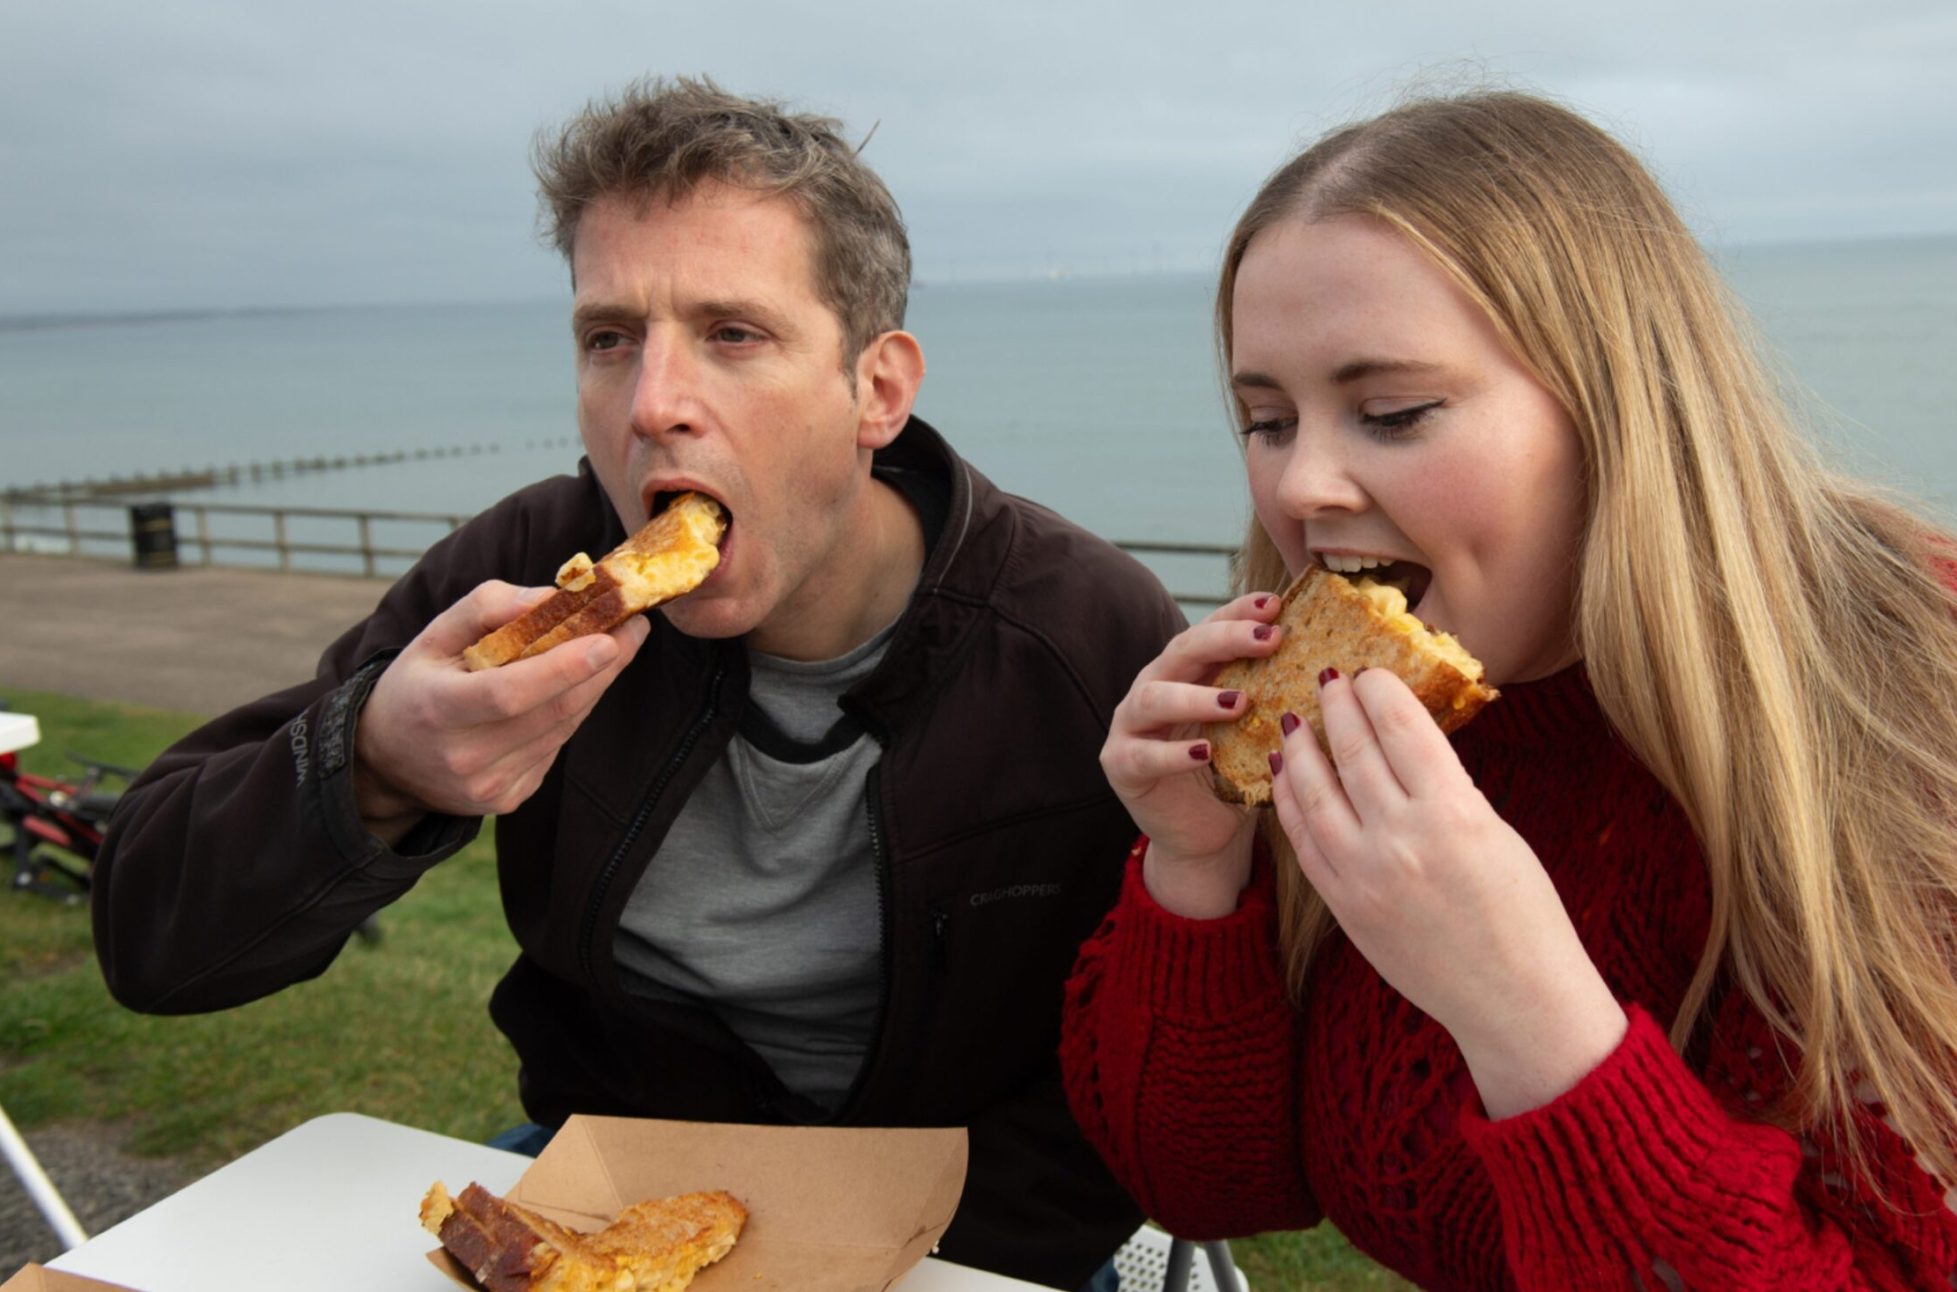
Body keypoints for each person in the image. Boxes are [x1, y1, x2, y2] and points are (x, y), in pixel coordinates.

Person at [92, 76, 1178, 1288]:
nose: (652, 404)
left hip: (958, 1235)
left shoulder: (1081, 637)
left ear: (876, 387)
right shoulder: (518, 575)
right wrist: (376, 764)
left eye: (733, 334)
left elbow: (1133, 1074)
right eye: (610, 337)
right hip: (604, 1190)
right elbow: (153, 941)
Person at [1060, 89, 1957, 1290]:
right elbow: (1207, 1187)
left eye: (1390, 411)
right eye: (1264, 419)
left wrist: (1523, 1007)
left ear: (1616, 407)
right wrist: (1194, 869)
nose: (1303, 483)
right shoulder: (1335, 715)